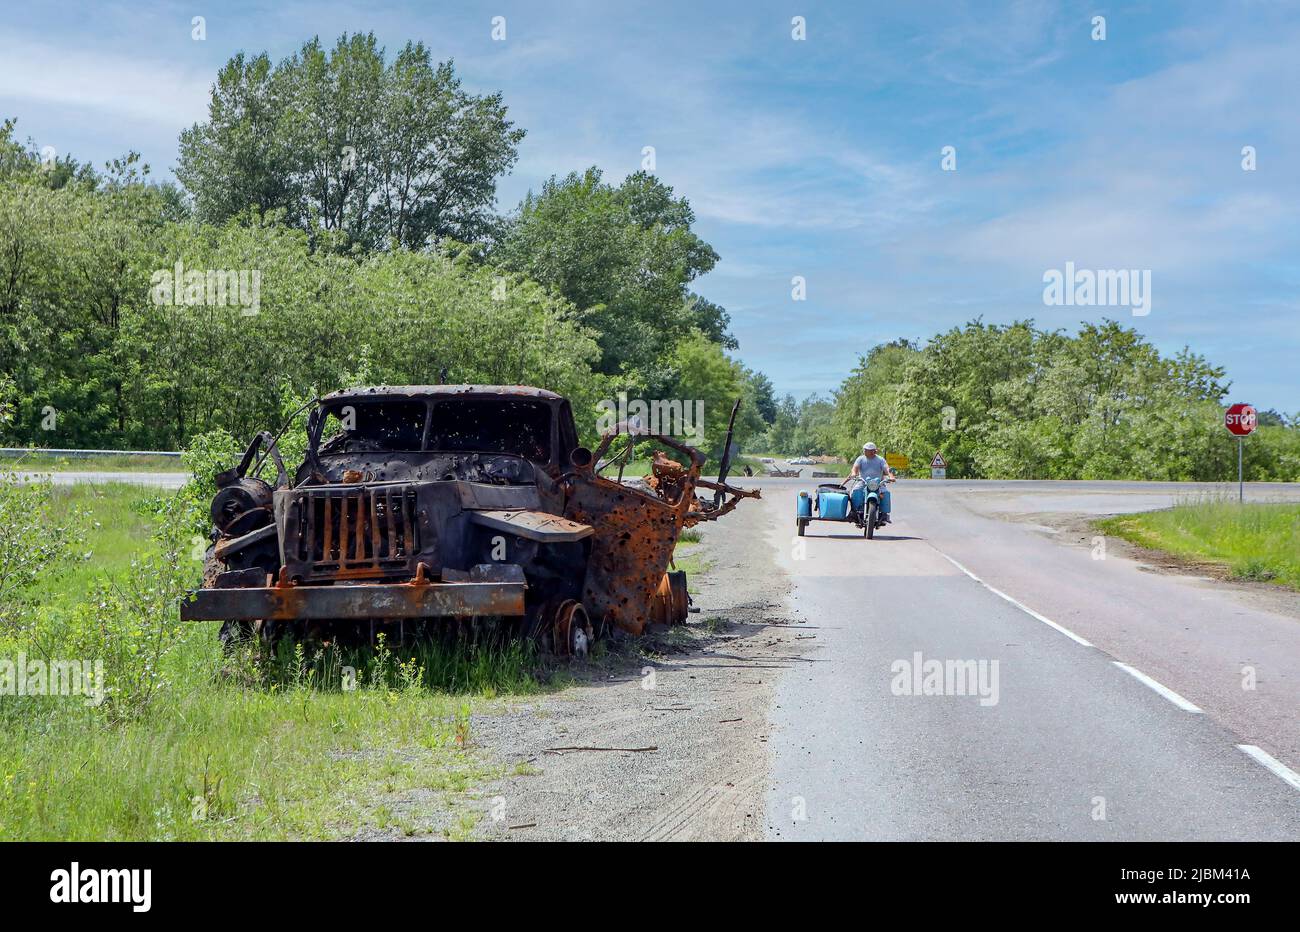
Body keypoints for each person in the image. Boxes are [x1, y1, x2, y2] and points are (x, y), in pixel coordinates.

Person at [849, 442, 894, 523]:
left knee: (885, 493)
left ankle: (884, 514)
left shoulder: (880, 459)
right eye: (865, 450)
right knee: (855, 491)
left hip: (878, 484)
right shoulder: (860, 459)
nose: (866, 451)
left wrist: (891, 476)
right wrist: (854, 474)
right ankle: (854, 512)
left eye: (868, 450)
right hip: (863, 483)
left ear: (874, 451)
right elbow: (855, 467)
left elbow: (887, 469)